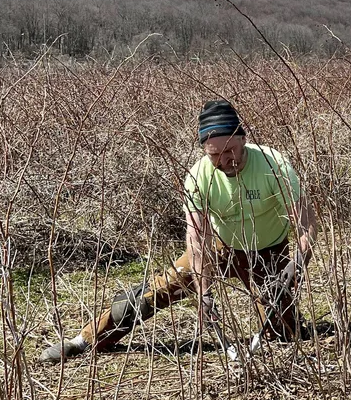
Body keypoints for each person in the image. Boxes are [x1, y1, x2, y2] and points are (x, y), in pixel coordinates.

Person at [42, 99, 316, 362]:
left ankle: (286, 316)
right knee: (156, 292)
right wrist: (205, 292)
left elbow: (307, 226)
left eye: (230, 150)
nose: (224, 161)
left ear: (243, 139)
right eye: (215, 155)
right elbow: (197, 240)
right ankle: (85, 340)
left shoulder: (274, 166)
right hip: (219, 248)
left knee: (284, 332)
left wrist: (296, 264)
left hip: (268, 252)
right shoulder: (199, 177)